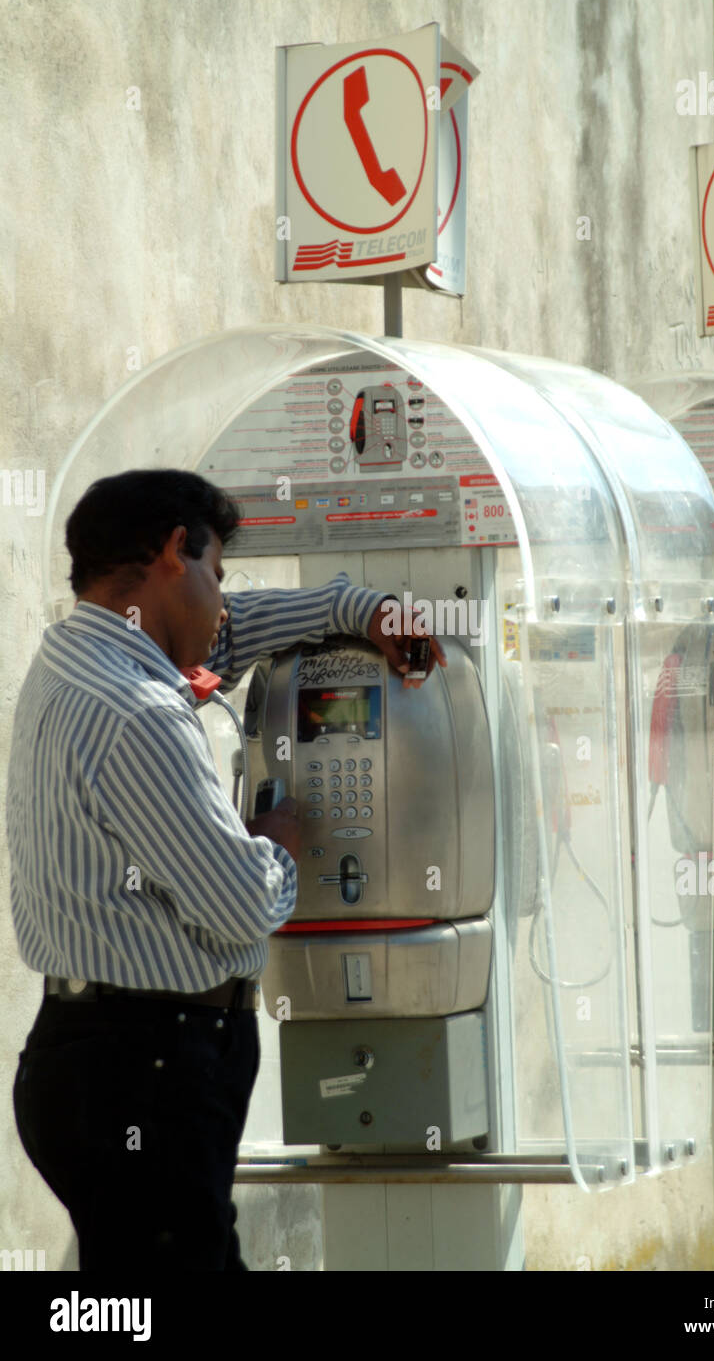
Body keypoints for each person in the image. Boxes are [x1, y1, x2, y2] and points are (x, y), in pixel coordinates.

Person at [8, 468, 444, 1271]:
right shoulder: (136, 711)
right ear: (177, 551)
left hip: (91, 1057)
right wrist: (274, 839)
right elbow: (241, 904)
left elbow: (228, 635)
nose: (223, 600)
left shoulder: (77, 659)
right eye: (218, 572)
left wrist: (358, 609)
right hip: (148, 1065)